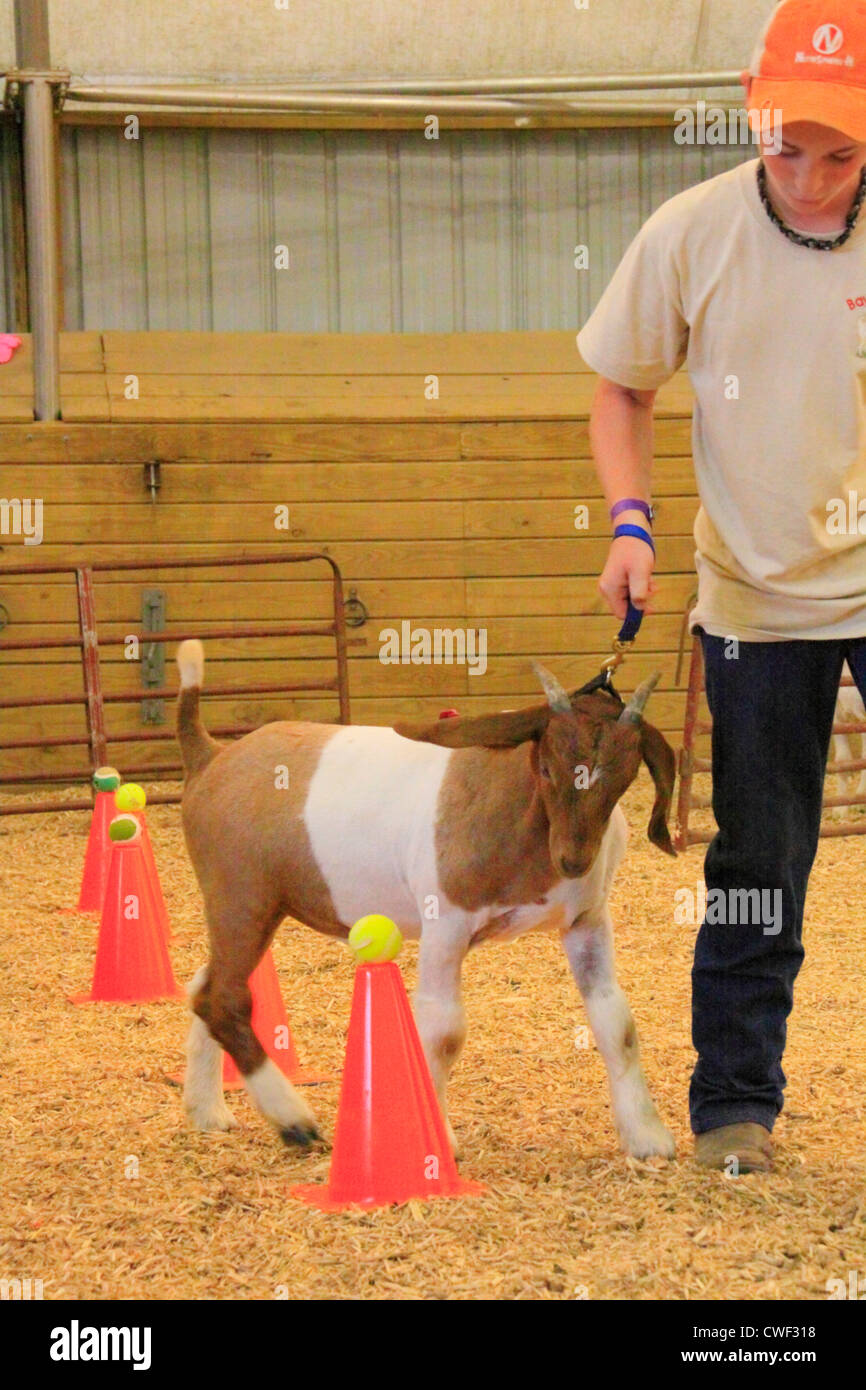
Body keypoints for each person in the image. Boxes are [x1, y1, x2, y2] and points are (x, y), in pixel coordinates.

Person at [577, 0, 866, 1171]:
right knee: (756, 857)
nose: (805, 177)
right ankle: (733, 1107)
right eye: (783, 147)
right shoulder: (689, 233)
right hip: (750, 597)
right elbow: (621, 386)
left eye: (837, 153)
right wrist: (631, 521)